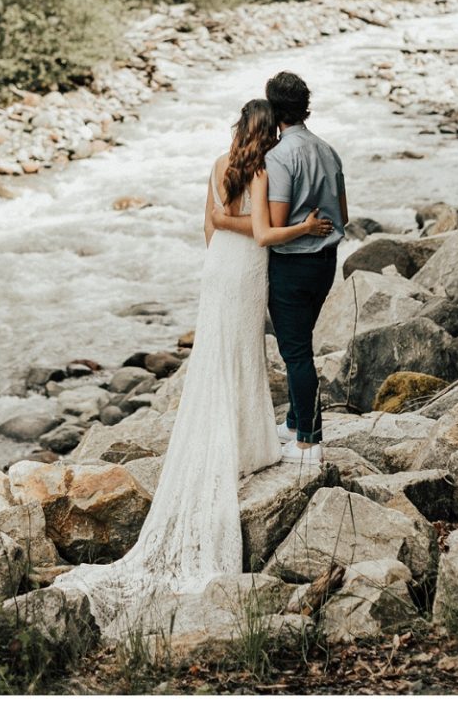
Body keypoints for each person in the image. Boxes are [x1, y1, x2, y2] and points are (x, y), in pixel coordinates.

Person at [54, 98, 332, 641]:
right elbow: (263, 234)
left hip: (218, 267)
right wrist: (307, 227)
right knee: (243, 355)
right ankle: (247, 447)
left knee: (217, 357)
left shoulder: (217, 164)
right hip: (248, 268)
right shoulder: (260, 171)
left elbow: (210, 225)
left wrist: (219, 259)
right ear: (267, 132)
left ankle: (243, 443)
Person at [213, 72, 347, 466]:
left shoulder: (279, 157)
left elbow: (271, 228)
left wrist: (223, 222)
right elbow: (344, 214)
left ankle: (308, 441)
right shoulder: (328, 150)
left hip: (293, 266)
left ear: (273, 109)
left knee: (296, 353)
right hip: (325, 263)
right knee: (301, 343)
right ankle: (292, 422)